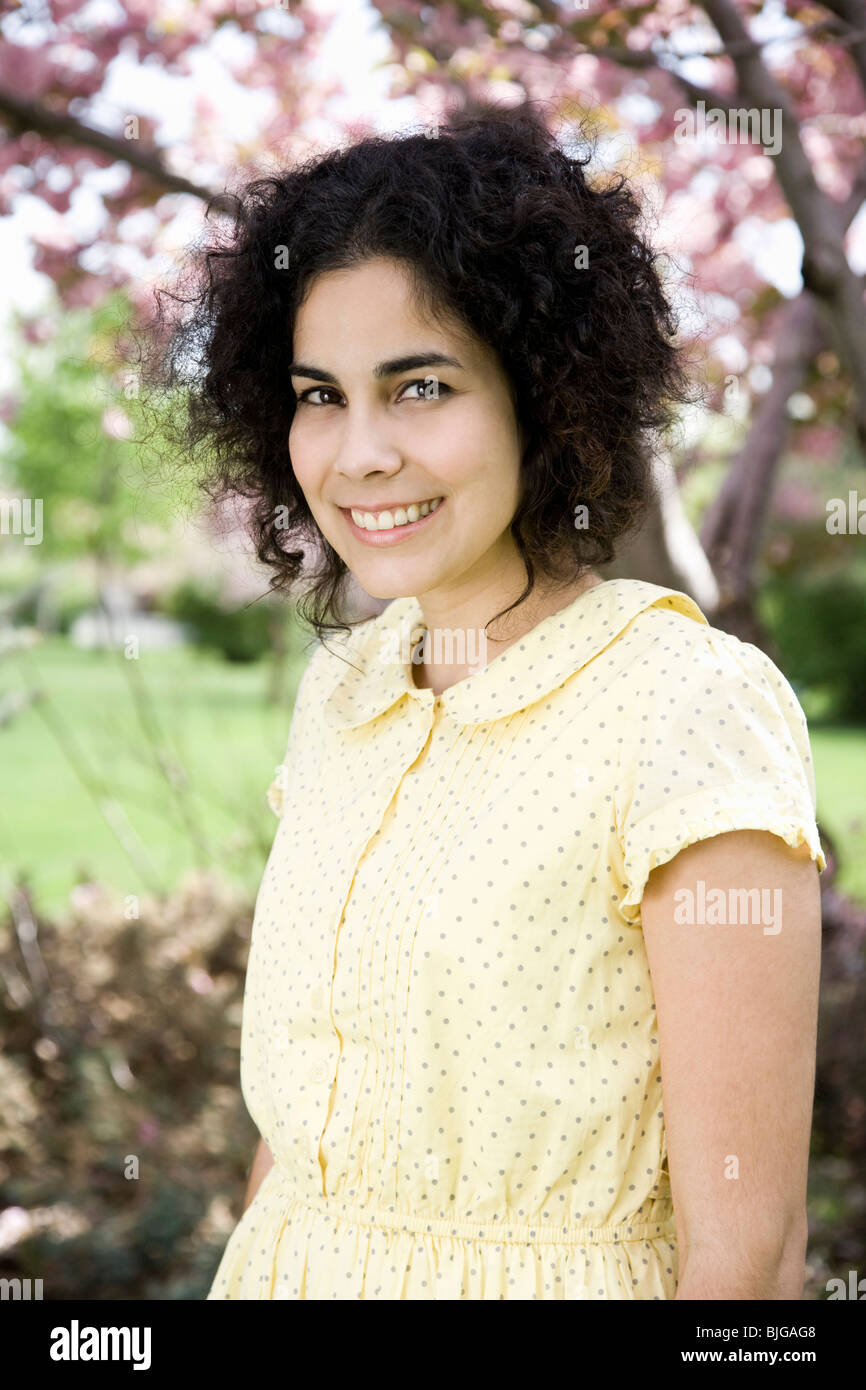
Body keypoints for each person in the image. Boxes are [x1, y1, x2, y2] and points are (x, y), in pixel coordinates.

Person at [148, 101, 825, 1299]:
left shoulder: (684, 711)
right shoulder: (343, 688)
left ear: (544, 392)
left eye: (418, 387)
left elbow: (751, 1256)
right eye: (319, 394)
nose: (357, 453)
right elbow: (304, 1139)